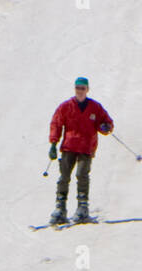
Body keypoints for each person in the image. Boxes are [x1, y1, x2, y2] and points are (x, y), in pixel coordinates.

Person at [48, 77, 113, 225]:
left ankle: (83, 207)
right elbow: (56, 123)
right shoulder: (66, 106)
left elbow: (106, 122)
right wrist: (53, 143)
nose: (80, 91)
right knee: (64, 176)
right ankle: (60, 207)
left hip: (86, 146)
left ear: (87, 90)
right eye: (77, 88)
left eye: (82, 88)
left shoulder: (95, 107)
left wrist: (106, 127)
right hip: (69, 146)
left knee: (82, 175)